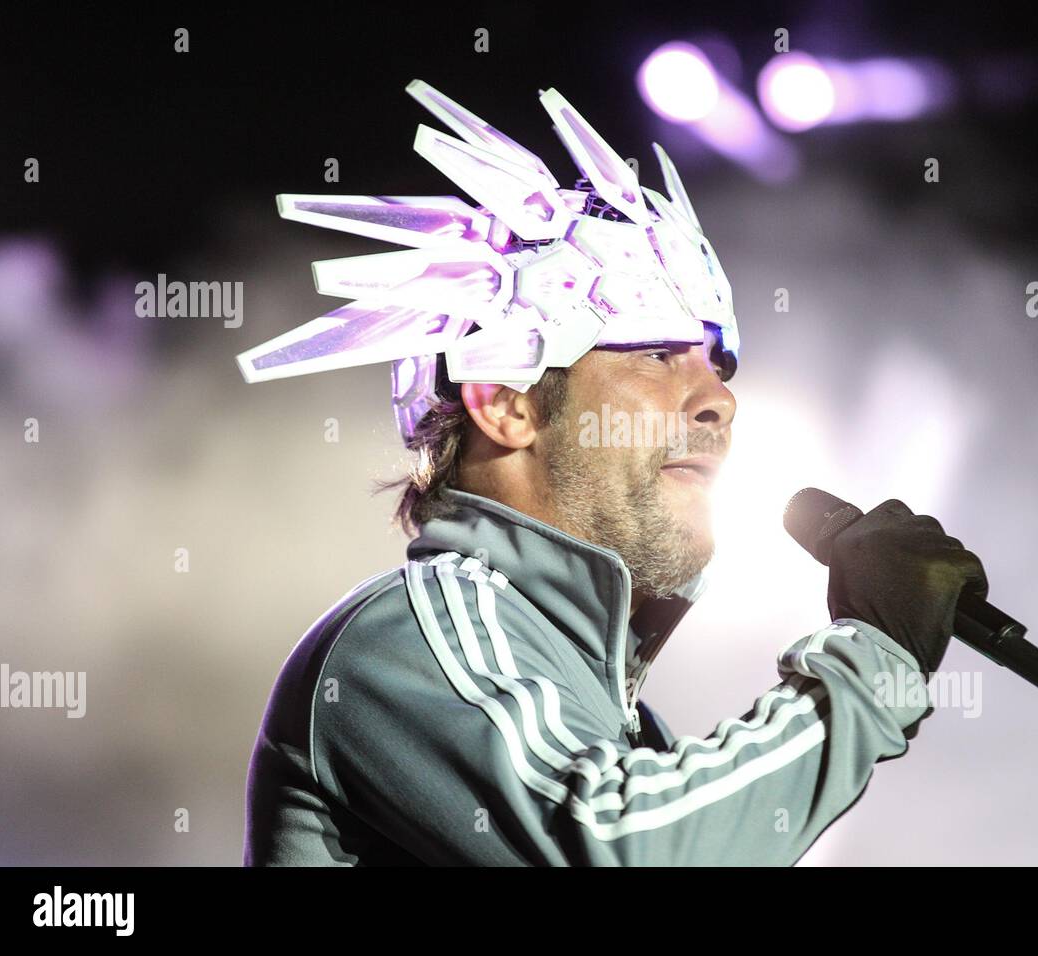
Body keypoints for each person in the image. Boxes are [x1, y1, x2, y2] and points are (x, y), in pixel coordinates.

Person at [240, 80, 985, 866]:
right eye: (659, 353)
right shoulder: (405, 642)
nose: (718, 399)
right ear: (506, 406)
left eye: (718, 363)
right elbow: (627, 851)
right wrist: (872, 659)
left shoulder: (621, 726)